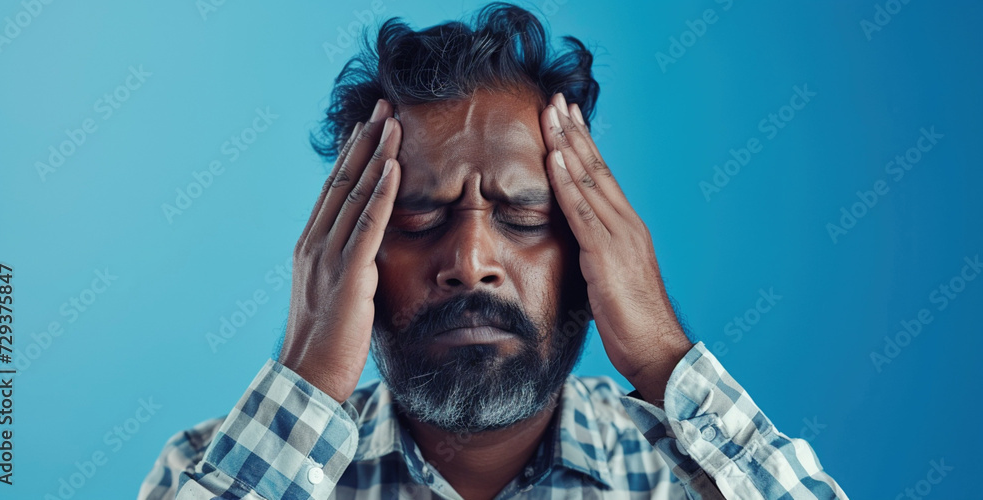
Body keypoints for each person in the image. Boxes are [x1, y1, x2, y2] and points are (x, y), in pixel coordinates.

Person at [140, 3, 848, 498]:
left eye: (525, 214)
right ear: (342, 260)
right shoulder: (208, 471)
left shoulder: (677, 482)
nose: (471, 259)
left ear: (589, 251)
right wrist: (305, 381)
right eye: (418, 218)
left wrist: (666, 359)